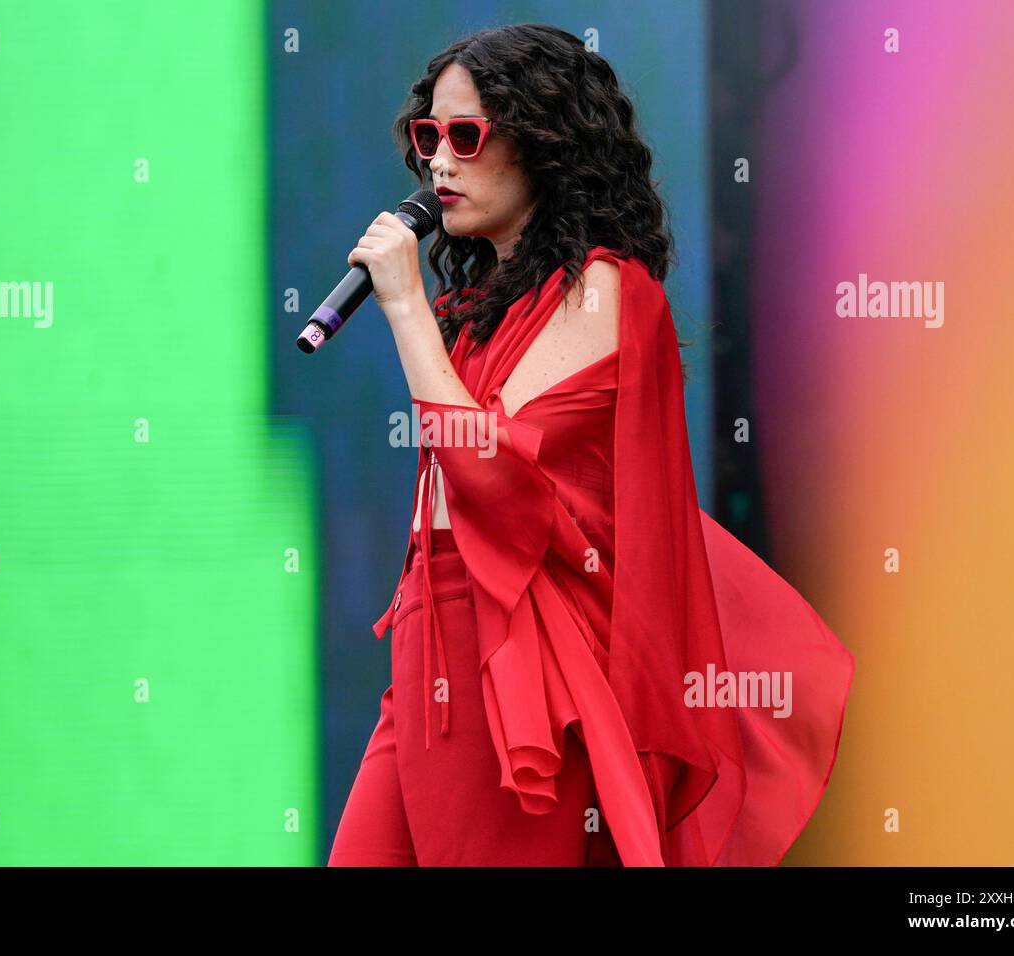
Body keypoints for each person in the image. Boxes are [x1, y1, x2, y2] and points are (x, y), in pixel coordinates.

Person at [327, 24, 854, 867]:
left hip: (516, 667)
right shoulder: (482, 316)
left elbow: (496, 487)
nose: (440, 161)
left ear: (545, 145)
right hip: (432, 646)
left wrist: (403, 307)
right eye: (430, 135)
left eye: (468, 135)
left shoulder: (605, 288)